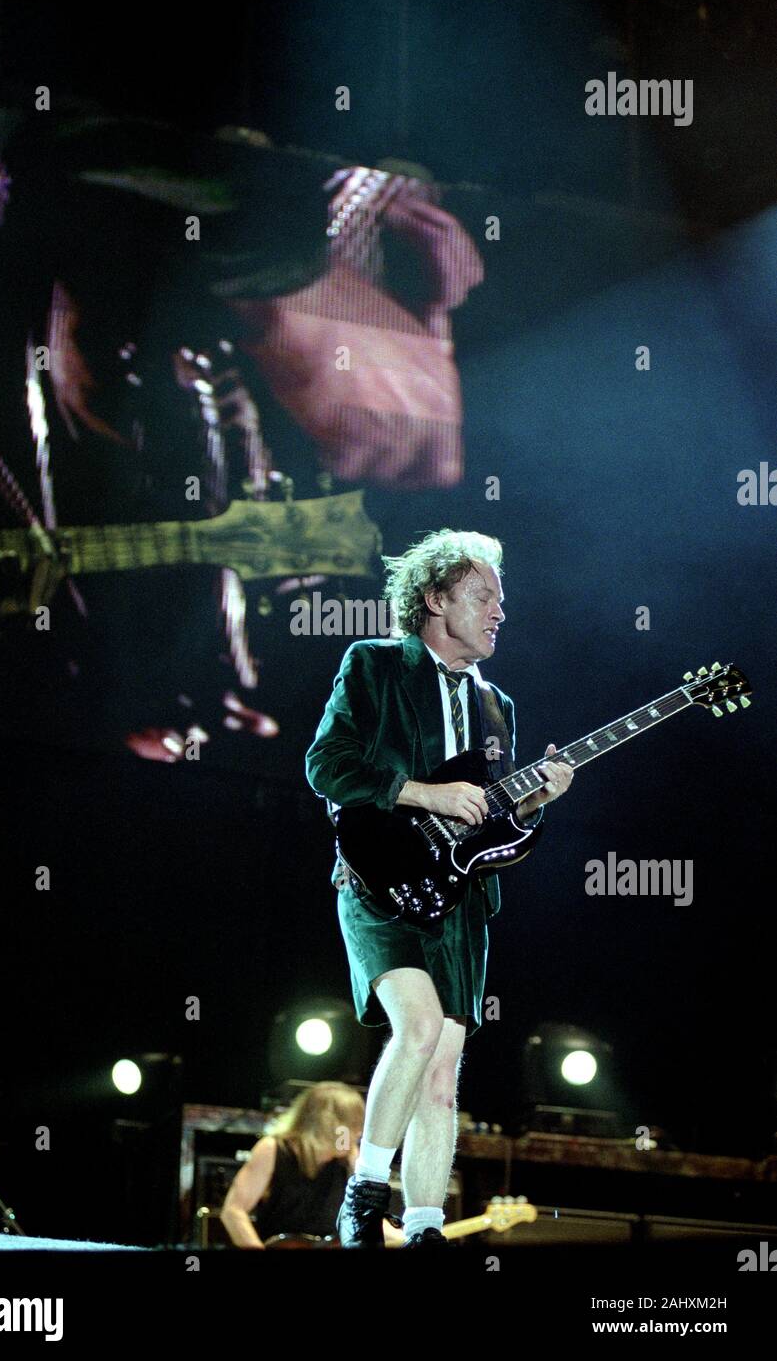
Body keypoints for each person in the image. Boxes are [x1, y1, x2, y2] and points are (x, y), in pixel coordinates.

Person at [305, 529, 574, 1248]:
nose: (499, 612)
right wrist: (424, 793)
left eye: (501, 600)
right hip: (377, 876)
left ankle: (423, 1227)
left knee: (441, 1073)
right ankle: (363, 1196)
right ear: (432, 598)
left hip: (460, 899)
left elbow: (488, 821)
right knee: (417, 1027)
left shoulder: (498, 708)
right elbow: (327, 767)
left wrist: (534, 802)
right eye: (483, 596)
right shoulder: (373, 665)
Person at [220, 1080, 400, 1248]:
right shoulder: (273, 1149)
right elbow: (234, 1211)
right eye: (352, 1125)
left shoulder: (349, 1158)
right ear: (328, 1123)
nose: (358, 1133)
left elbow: (370, 1220)